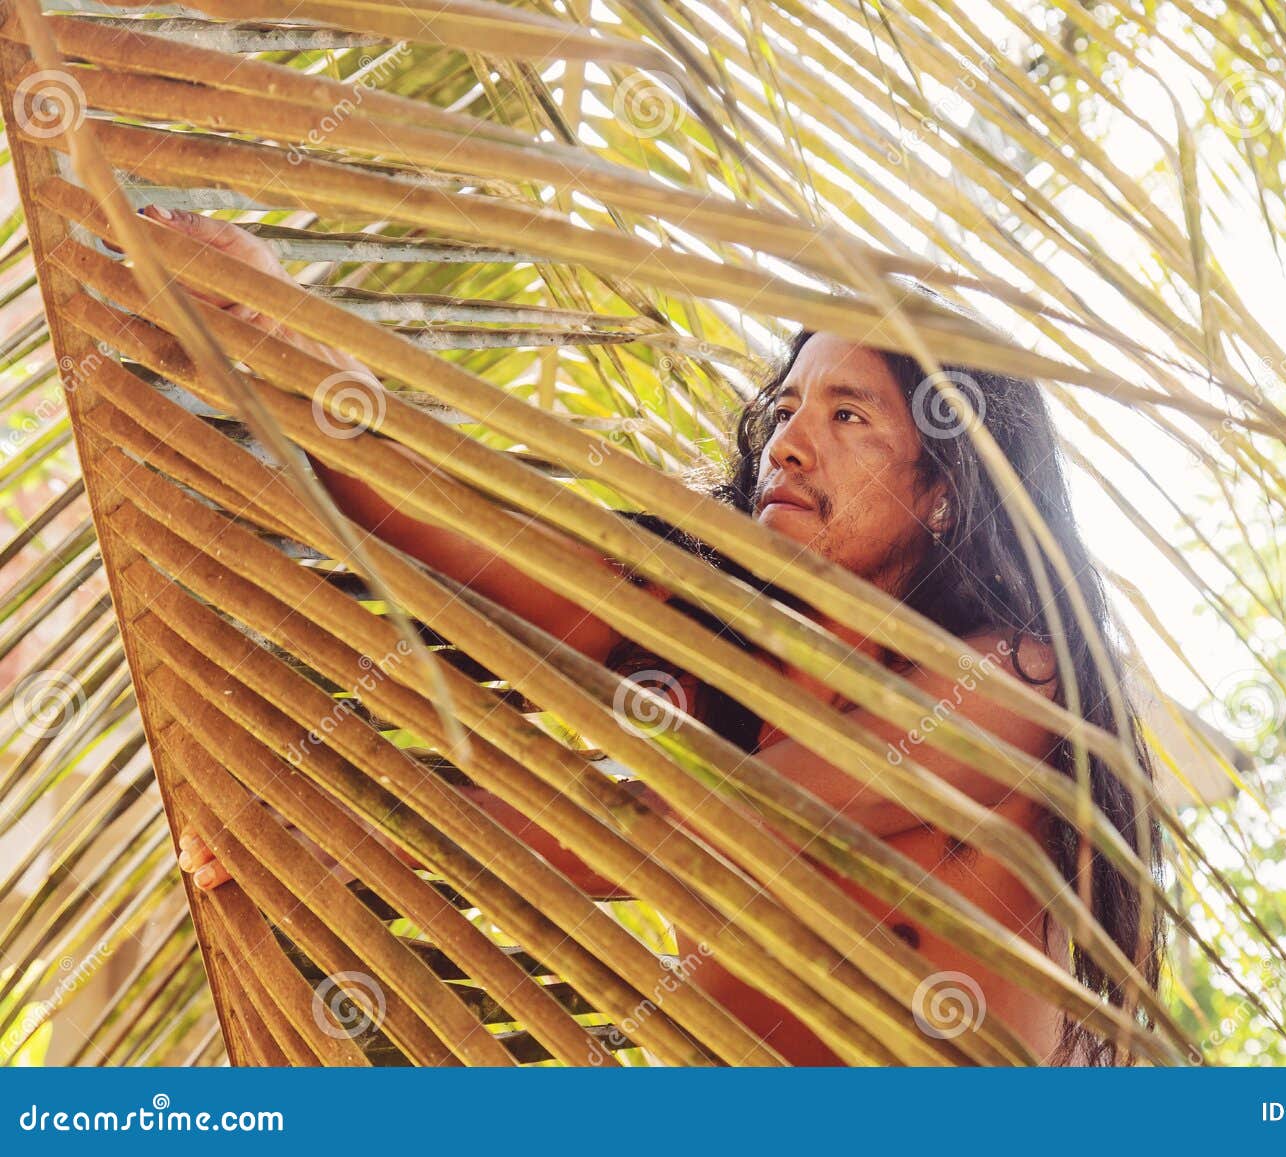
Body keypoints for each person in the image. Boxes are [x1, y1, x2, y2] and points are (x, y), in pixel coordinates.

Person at [152, 205, 1164, 1065]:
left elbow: (714, 827)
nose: (788, 440)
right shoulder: (703, 625)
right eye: (787, 405)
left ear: (941, 490)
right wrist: (268, 317)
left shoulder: (1018, 676)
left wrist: (351, 833)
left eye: (849, 415)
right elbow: (445, 517)